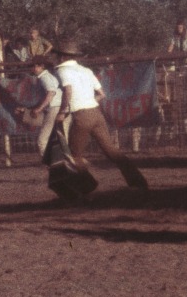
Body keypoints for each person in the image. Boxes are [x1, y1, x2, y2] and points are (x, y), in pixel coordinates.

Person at [54, 41, 148, 193]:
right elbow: (101, 94)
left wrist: (62, 112)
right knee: (111, 150)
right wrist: (88, 102)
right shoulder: (86, 70)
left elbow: (68, 92)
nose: (56, 57)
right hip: (96, 113)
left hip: (81, 115)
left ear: (63, 56)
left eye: (57, 55)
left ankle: (87, 187)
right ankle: (138, 181)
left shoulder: (62, 71)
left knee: (74, 155)